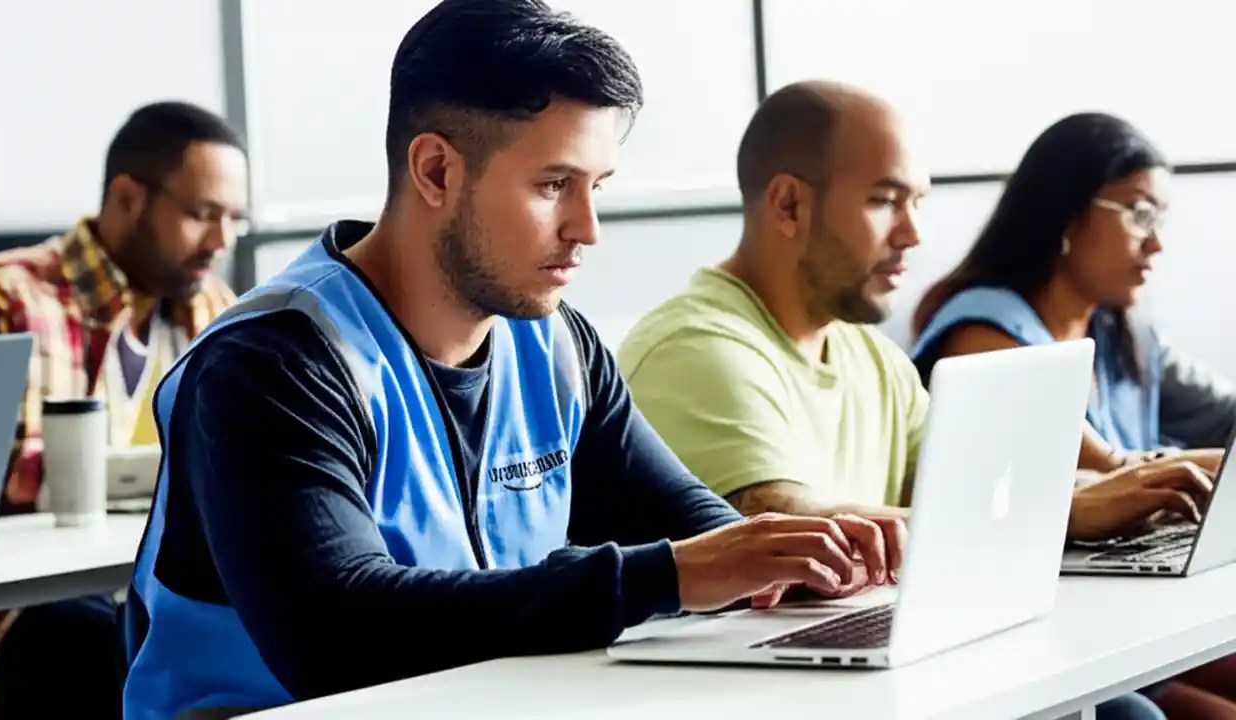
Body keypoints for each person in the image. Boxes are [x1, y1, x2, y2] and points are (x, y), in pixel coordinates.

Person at [120, 4, 898, 719]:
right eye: (554, 185)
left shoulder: (556, 344)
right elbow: (337, 636)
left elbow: (698, 533)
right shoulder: (271, 364)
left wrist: (801, 555)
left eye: (597, 187)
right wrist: (670, 575)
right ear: (435, 171)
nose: (587, 228)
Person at [616, 80, 1213, 720]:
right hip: (771, 698)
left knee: (1124, 712)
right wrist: (1063, 512)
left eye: (917, 203)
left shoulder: (872, 357)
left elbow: (975, 494)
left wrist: (1075, 500)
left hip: (892, 666)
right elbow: (792, 530)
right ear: (788, 204)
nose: (913, 234)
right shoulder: (698, 348)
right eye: (884, 201)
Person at [909, 113, 1236, 718]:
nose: (1156, 242)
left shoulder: (1123, 331)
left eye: (1160, 219)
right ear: (1065, 212)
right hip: (1054, 638)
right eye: (1139, 214)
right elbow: (1119, 474)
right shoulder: (984, 336)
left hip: (1138, 616)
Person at [0, 101, 247, 719]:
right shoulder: (3, 296)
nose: (221, 242)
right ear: (127, 197)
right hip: (11, 616)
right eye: (203, 215)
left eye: (234, 221)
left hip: (145, 581)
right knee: (93, 642)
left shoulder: (216, 310)